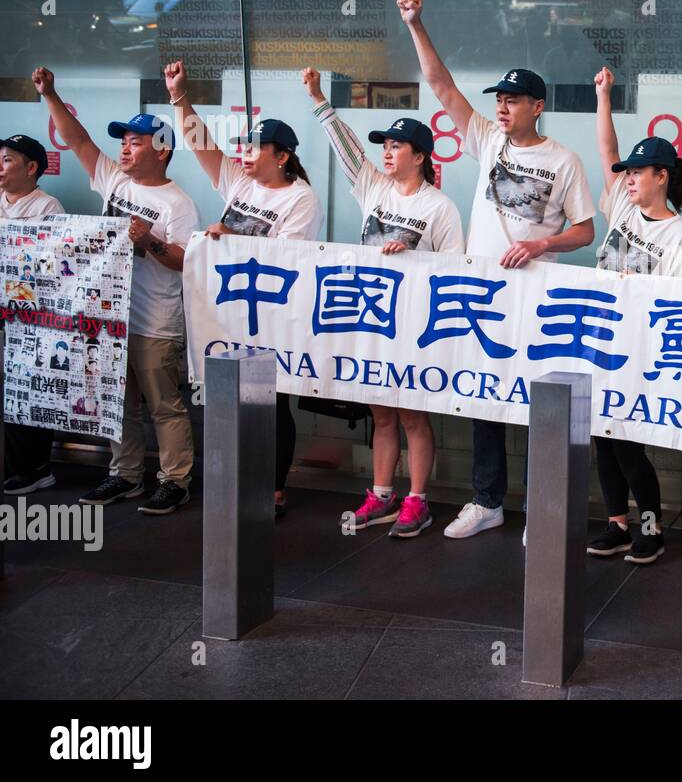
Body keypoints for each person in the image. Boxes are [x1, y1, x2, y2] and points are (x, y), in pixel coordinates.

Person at [397, 0, 596, 543]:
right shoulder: (486, 140)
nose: (501, 108)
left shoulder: (563, 160)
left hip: (537, 299)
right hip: (483, 293)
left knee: (539, 404)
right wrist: (416, 23)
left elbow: (586, 231)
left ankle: (542, 509)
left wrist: (540, 245)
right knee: (485, 394)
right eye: (499, 100)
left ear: (538, 105)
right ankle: (487, 501)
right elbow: (441, 86)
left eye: (512, 100)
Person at [302, 66, 465, 539]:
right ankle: (382, 493)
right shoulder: (374, 188)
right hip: (372, 319)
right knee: (380, 410)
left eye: (396, 147)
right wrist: (319, 101)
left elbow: (454, 270)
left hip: (414, 325)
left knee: (413, 412)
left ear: (419, 156)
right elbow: (347, 149)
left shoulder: (440, 207)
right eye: (385, 146)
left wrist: (413, 258)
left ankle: (418, 500)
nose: (386, 153)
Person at [33, 66, 199, 515]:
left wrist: (148, 241)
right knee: (116, 402)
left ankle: (174, 480)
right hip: (109, 317)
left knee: (164, 405)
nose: (125, 148)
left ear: (162, 150)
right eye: (124, 141)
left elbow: (186, 260)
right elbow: (80, 141)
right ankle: (124, 475)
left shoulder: (178, 203)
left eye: (136, 141)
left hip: (156, 320)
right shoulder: (114, 180)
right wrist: (51, 95)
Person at [167, 59, 322, 520]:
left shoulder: (300, 197)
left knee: (273, 403)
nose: (245, 155)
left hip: (274, 314)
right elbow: (202, 147)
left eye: (257, 148)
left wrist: (232, 240)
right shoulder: (239, 185)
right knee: (236, 400)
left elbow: (287, 257)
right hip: (231, 313)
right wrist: (180, 97)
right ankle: (239, 480)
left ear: (283, 156)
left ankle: (273, 488)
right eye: (245, 147)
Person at [585, 67, 682, 565]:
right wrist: (604, 97)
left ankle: (650, 528)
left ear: (662, 177)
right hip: (600, 341)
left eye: (639, 172)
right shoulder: (624, 211)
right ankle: (617, 524)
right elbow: (607, 152)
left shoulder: (681, 236)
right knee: (602, 441)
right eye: (628, 173)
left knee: (628, 445)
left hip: (641, 353)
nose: (629, 178)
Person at [1, 134, 64, 495]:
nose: (1, 167)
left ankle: (35, 468)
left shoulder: (47, 207)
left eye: (8, 160)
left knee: (28, 393)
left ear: (31, 168)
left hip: (31, 317)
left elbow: (49, 266)